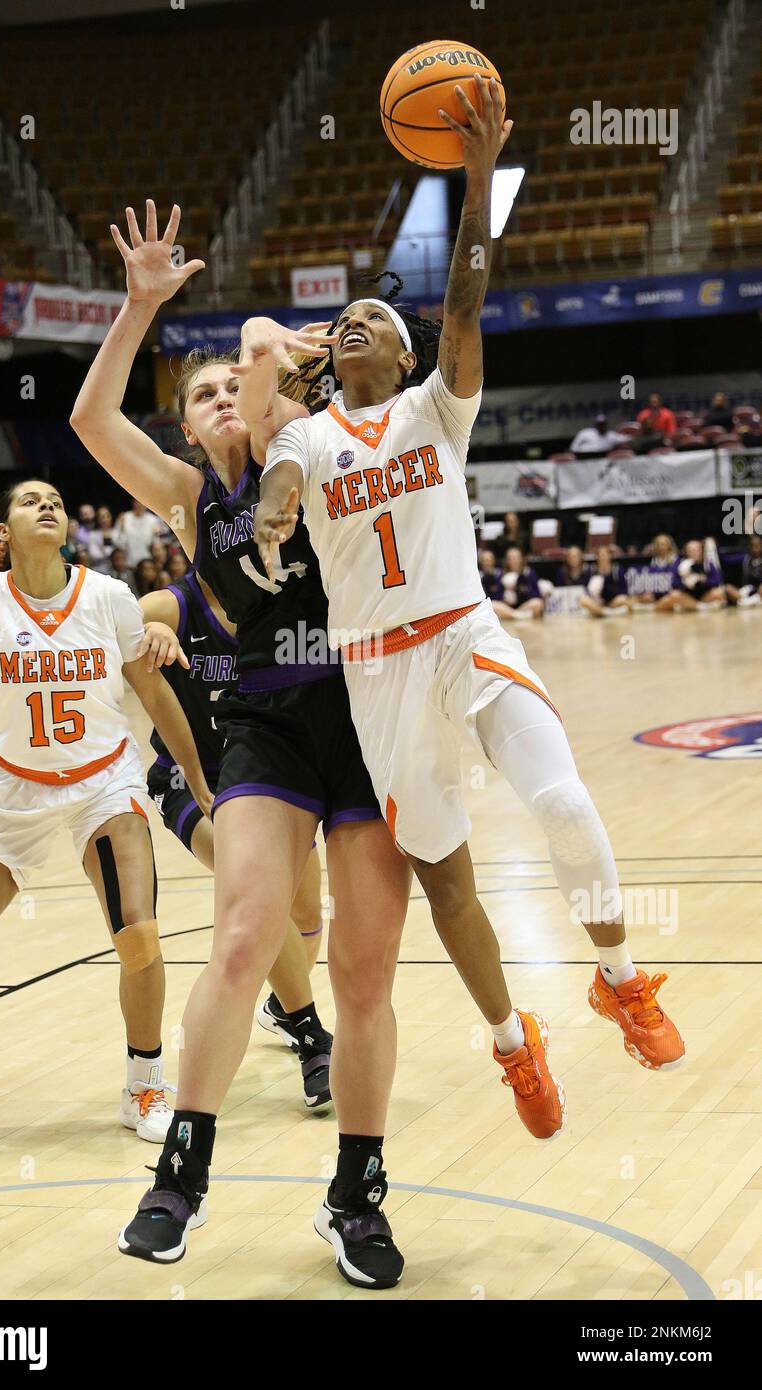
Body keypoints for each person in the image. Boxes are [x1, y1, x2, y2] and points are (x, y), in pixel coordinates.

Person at [253, 77, 683, 1221]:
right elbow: (283, 468)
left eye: (374, 323)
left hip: (461, 633)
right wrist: (275, 508)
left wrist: (473, 187)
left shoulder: (438, 406)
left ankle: (618, 979)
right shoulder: (303, 429)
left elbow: (462, 302)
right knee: (446, 882)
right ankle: (510, 1039)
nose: (356, 327)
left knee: (563, 800)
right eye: (341, 323)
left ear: (404, 357)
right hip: (374, 676)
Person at [69, 200, 412, 1289]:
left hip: (364, 712)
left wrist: (283, 356)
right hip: (264, 720)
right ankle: (181, 1174)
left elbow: (270, 351)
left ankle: (355, 1193)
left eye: (236, 386)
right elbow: (86, 419)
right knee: (239, 939)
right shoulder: (183, 498)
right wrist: (138, 309)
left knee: (362, 977)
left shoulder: (307, 449)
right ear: (187, 427)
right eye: (204, 393)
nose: (225, 396)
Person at [0, 479, 215, 1145]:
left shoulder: (105, 597)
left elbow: (153, 693)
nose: (48, 506)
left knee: (139, 931)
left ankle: (146, 1082)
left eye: (57, 502)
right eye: (30, 500)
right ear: (4, 531)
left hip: (104, 783)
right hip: (14, 792)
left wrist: (197, 777)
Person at [139, 566, 332, 1109]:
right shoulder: (169, 606)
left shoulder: (275, 603)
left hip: (269, 773)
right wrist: (145, 632)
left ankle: (284, 1009)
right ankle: (314, 1036)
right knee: (252, 890)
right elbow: (104, 627)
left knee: (306, 914)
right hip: (189, 781)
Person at [656, 538, 726, 612]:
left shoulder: (707, 564)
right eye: (690, 550)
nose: (693, 553)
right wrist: (684, 582)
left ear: (702, 551)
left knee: (719, 593)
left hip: (704, 596)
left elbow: (718, 580)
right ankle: (699, 607)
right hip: (687, 597)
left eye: (696, 550)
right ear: (686, 552)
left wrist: (704, 580)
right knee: (674, 595)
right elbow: (673, 583)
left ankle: (694, 607)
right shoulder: (679, 563)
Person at [491, 544, 544, 620]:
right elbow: (497, 597)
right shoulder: (501, 574)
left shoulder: (528, 572)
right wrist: (505, 590)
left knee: (538, 603)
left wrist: (523, 590)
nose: (513, 560)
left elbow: (537, 594)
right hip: (507, 608)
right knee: (493, 605)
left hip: (524, 606)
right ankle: (518, 616)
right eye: (510, 558)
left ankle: (515, 616)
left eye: (515, 558)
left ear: (521, 559)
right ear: (507, 560)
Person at [627, 533, 679, 605]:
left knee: (672, 596)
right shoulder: (653, 561)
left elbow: (674, 578)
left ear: (669, 546)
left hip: (671, 591)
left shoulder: (675, 559)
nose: (660, 547)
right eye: (658, 545)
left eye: (663, 544)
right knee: (644, 597)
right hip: (657, 592)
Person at [579, 547, 631, 618]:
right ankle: (602, 612)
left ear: (610, 556)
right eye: (600, 555)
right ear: (597, 557)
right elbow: (586, 589)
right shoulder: (591, 571)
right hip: (596, 602)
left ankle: (600, 612)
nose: (603, 557)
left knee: (623, 599)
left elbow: (624, 590)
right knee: (583, 600)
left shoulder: (617, 570)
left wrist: (612, 593)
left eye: (605, 555)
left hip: (612, 602)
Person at [115, 496, 162, 567]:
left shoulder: (153, 520)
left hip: (147, 562)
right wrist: (121, 528)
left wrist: (156, 535)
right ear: (133, 502)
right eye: (137, 501)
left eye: (142, 502)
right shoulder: (124, 517)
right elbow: (118, 543)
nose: (140, 504)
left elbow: (156, 543)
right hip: (127, 562)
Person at [725, 534, 762, 608]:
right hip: (746, 591)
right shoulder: (745, 558)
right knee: (728, 588)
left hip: (759, 592)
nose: (755, 548)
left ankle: (751, 601)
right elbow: (726, 559)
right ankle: (747, 602)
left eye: (757, 545)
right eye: (752, 545)